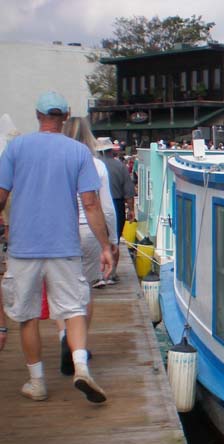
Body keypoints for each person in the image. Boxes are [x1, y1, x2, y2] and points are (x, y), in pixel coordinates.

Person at [0, 91, 112, 403]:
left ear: (38, 115)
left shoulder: (16, 148)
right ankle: (81, 367)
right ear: (65, 117)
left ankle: (37, 383)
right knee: (73, 308)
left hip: (23, 245)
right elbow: (90, 204)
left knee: (27, 315)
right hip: (64, 244)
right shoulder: (78, 152)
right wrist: (105, 246)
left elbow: (0, 195)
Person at [58, 117, 118, 374]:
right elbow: (105, 207)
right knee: (85, 289)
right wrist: (112, 240)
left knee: (61, 289)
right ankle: (80, 345)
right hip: (90, 232)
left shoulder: (56, 161)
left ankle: (64, 336)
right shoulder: (96, 165)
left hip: (61, 230)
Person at [96, 137, 135, 282]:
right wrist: (131, 210)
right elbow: (129, 191)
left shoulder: (93, 165)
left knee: (98, 239)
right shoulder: (120, 166)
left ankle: (98, 273)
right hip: (116, 205)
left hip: (97, 205)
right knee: (114, 239)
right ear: (111, 149)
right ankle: (112, 273)